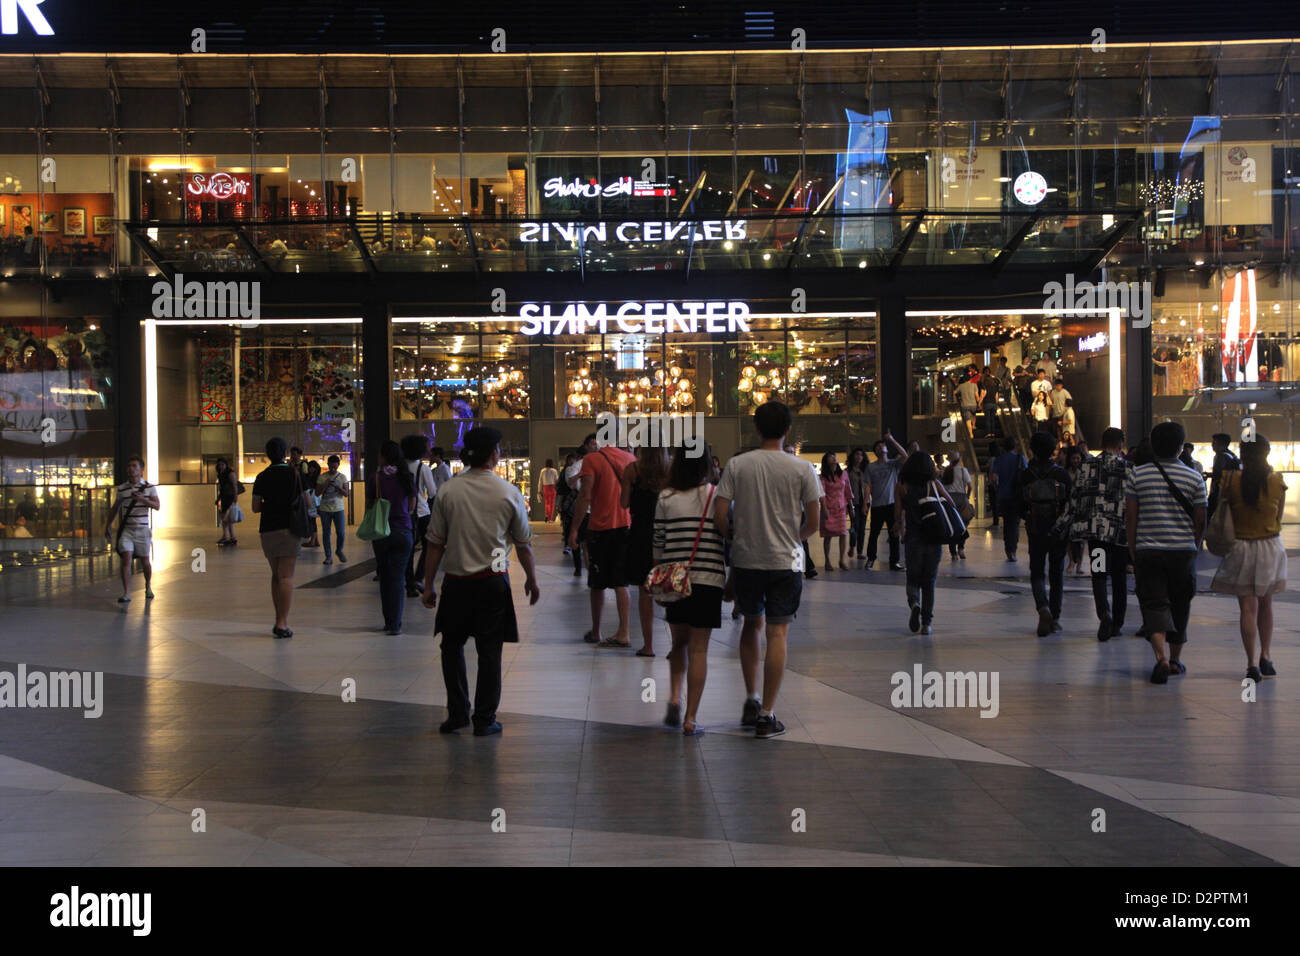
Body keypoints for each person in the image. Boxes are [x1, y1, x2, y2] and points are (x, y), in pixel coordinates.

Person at [421, 426, 539, 737]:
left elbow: (435, 543)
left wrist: (428, 583)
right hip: (492, 582)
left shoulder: (449, 491)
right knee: (490, 652)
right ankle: (485, 719)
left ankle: (458, 712)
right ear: (493, 455)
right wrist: (531, 579)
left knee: (451, 647)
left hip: (457, 583)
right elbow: (524, 543)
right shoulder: (508, 492)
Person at [713, 402, 821, 740]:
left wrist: (737, 537)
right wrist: (792, 539)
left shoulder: (737, 465)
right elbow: (815, 522)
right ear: (788, 430)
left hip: (747, 557)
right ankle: (767, 713)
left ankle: (750, 697)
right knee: (778, 633)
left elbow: (719, 517)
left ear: (756, 430)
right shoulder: (802, 469)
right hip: (787, 558)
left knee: (750, 623)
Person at [1126, 421, 1207, 685]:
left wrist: (1133, 548)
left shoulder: (1137, 475)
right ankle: (1174, 660)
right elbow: (1200, 520)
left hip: (1149, 550)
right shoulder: (1195, 478)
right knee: (1181, 603)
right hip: (1182, 551)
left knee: (1153, 603)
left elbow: (1131, 518)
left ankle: (1159, 657)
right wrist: (1193, 544)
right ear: (1181, 447)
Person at [656, 442, 726, 736]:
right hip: (708, 581)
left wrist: (658, 576)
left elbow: (657, 544)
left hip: (675, 580)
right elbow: (727, 535)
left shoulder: (666, 497)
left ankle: (674, 696)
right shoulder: (716, 496)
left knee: (678, 645)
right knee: (699, 650)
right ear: (707, 464)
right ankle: (691, 718)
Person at [1210, 434, 1286, 683]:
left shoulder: (1230, 479)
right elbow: (1279, 518)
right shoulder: (1276, 481)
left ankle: (1251, 662)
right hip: (1269, 547)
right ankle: (1266, 655)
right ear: (1267, 453)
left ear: (1241, 455)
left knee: (1247, 608)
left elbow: (1224, 509)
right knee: (1266, 604)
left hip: (1241, 548)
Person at [568, 432, 636, 647]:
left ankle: (596, 631)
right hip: (625, 526)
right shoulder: (630, 459)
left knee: (597, 583)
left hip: (600, 527)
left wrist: (574, 529)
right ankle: (624, 631)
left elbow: (585, 495)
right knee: (621, 582)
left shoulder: (592, 459)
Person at [1063, 428, 1131, 640]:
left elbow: (1074, 499)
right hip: (1119, 535)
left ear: (1102, 443)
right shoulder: (1128, 468)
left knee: (1099, 575)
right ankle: (1118, 623)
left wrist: (1063, 526)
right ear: (1120, 446)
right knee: (1120, 578)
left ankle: (1104, 614)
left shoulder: (1086, 466)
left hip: (1096, 535)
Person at [1015, 432, 1072, 637]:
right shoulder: (1061, 474)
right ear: (1053, 450)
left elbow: (1018, 504)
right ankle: (1055, 618)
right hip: (1057, 531)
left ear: (1032, 450)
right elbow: (1070, 503)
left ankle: (1042, 607)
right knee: (1057, 574)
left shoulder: (1025, 475)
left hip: (1036, 528)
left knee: (1037, 571)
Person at [895, 451, 955, 635]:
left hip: (914, 538)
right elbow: (951, 504)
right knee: (929, 581)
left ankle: (914, 603)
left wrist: (900, 529)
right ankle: (926, 624)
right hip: (934, 538)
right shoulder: (934, 485)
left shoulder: (902, 487)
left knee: (913, 578)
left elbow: (898, 516)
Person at [621, 445, 670, 657]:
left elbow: (623, 503)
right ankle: (675, 646)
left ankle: (648, 646)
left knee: (644, 591)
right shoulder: (670, 469)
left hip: (641, 533)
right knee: (671, 588)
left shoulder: (632, 470)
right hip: (666, 532)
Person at [251, 438, 303, 638]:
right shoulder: (294, 474)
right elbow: (306, 500)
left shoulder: (262, 476)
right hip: (290, 528)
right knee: (286, 577)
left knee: (276, 575)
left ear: (267, 454)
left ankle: (277, 618)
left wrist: (271, 505)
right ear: (285, 453)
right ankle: (282, 623)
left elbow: (256, 508)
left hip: (268, 529)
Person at [368, 440, 416, 635]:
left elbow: (370, 505)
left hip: (381, 532)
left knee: (385, 577)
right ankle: (395, 624)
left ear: (385, 457)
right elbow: (412, 506)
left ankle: (389, 621)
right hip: (403, 531)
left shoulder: (376, 478)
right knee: (397, 578)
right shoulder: (407, 477)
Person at [104, 454, 160, 604]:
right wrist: (108, 525)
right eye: (129, 466)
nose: (131, 469)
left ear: (141, 470)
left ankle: (147, 586)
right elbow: (115, 508)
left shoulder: (149, 488)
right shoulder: (122, 488)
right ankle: (126, 592)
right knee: (126, 559)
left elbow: (157, 506)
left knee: (145, 561)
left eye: (134, 466)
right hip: (127, 530)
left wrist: (142, 499)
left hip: (142, 530)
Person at [865, 431, 908, 570]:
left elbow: (905, 456)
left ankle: (894, 562)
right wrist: (866, 502)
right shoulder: (871, 467)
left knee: (894, 533)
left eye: (882, 446)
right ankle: (871, 559)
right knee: (873, 534)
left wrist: (892, 439)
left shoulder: (893, 464)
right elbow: (868, 485)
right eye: (877, 447)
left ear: (887, 449)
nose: (880, 448)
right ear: (875, 452)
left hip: (892, 505)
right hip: (877, 505)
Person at [401, 435, 436, 599]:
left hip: (405, 512)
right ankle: (418, 577)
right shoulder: (424, 468)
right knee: (428, 546)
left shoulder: (400, 467)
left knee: (408, 548)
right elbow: (433, 492)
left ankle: (409, 584)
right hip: (422, 512)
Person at [989, 436, 1027, 561]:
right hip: (1016, 496)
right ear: (1015, 446)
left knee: (1006, 523)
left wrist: (997, 488)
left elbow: (993, 478)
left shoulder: (998, 460)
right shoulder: (1020, 458)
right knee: (1015, 524)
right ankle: (1013, 550)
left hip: (1003, 495)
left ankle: (1008, 549)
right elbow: (1025, 475)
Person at [784, 445, 818, 579]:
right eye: (787, 452)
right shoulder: (780, 471)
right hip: (786, 512)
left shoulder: (801, 471)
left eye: (792, 452)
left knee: (801, 540)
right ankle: (803, 568)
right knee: (796, 541)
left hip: (800, 511)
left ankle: (800, 568)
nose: (790, 454)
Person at [819, 452, 853, 571]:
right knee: (827, 536)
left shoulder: (843, 474)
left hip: (841, 508)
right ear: (826, 462)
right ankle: (827, 561)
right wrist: (823, 509)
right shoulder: (823, 476)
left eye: (834, 457)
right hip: (828, 508)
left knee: (843, 533)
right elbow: (821, 494)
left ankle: (842, 560)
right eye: (831, 458)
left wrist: (851, 507)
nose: (834, 459)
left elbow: (848, 491)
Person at [316, 455, 350, 564]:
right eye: (331, 467)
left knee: (341, 532)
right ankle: (328, 557)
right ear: (328, 465)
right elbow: (317, 493)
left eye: (335, 467)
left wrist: (337, 487)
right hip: (325, 509)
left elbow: (346, 494)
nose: (333, 469)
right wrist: (325, 485)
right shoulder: (322, 477)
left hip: (338, 509)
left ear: (338, 465)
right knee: (326, 533)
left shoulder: (342, 477)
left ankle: (339, 550)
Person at [563, 445, 589, 574]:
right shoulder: (572, 469)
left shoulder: (574, 468)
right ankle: (579, 567)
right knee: (579, 539)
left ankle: (581, 568)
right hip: (577, 506)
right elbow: (571, 484)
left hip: (584, 507)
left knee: (582, 539)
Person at [941, 452, 972, 560]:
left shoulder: (945, 471)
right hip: (962, 499)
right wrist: (967, 497)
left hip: (949, 500)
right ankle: (961, 548)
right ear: (959, 460)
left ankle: (953, 552)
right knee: (964, 524)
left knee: (952, 525)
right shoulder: (963, 471)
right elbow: (970, 486)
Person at [289, 447, 320, 548]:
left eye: (294, 454)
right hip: (306, 495)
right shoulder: (293, 465)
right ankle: (315, 540)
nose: (292, 456)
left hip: (308, 495)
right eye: (291, 454)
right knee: (311, 518)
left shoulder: (303, 465)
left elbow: (304, 481)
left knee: (311, 518)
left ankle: (313, 540)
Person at [1208, 433, 1240, 516]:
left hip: (1220, 493)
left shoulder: (1222, 456)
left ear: (1221, 444)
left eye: (1214, 442)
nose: (1212, 445)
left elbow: (1218, 474)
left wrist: (1209, 475)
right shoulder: (1232, 456)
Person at [846, 447, 870, 559]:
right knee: (855, 525)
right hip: (853, 502)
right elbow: (846, 489)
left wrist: (866, 502)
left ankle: (859, 551)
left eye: (861, 454)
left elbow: (869, 487)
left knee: (862, 527)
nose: (859, 456)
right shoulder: (848, 471)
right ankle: (852, 546)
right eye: (856, 454)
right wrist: (849, 505)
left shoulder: (867, 471)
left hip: (865, 501)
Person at [215, 457, 241, 547]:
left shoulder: (230, 473)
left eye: (222, 464)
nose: (221, 466)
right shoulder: (221, 474)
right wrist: (218, 499)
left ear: (226, 465)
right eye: (219, 465)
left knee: (226, 518)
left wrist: (235, 498)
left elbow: (235, 486)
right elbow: (221, 488)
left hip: (229, 498)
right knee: (226, 518)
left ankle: (226, 536)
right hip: (224, 498)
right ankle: (231, 537)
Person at [955, 374, 981, 438]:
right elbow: (977, 396)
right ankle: (974, 425)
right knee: (973, 414)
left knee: (968, 420)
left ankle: (971, 434)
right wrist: (979, 403)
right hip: (973, 404)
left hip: (965, 405)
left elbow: (954, 392)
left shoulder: (961, 386)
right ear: (970, 379)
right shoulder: (974, 385)